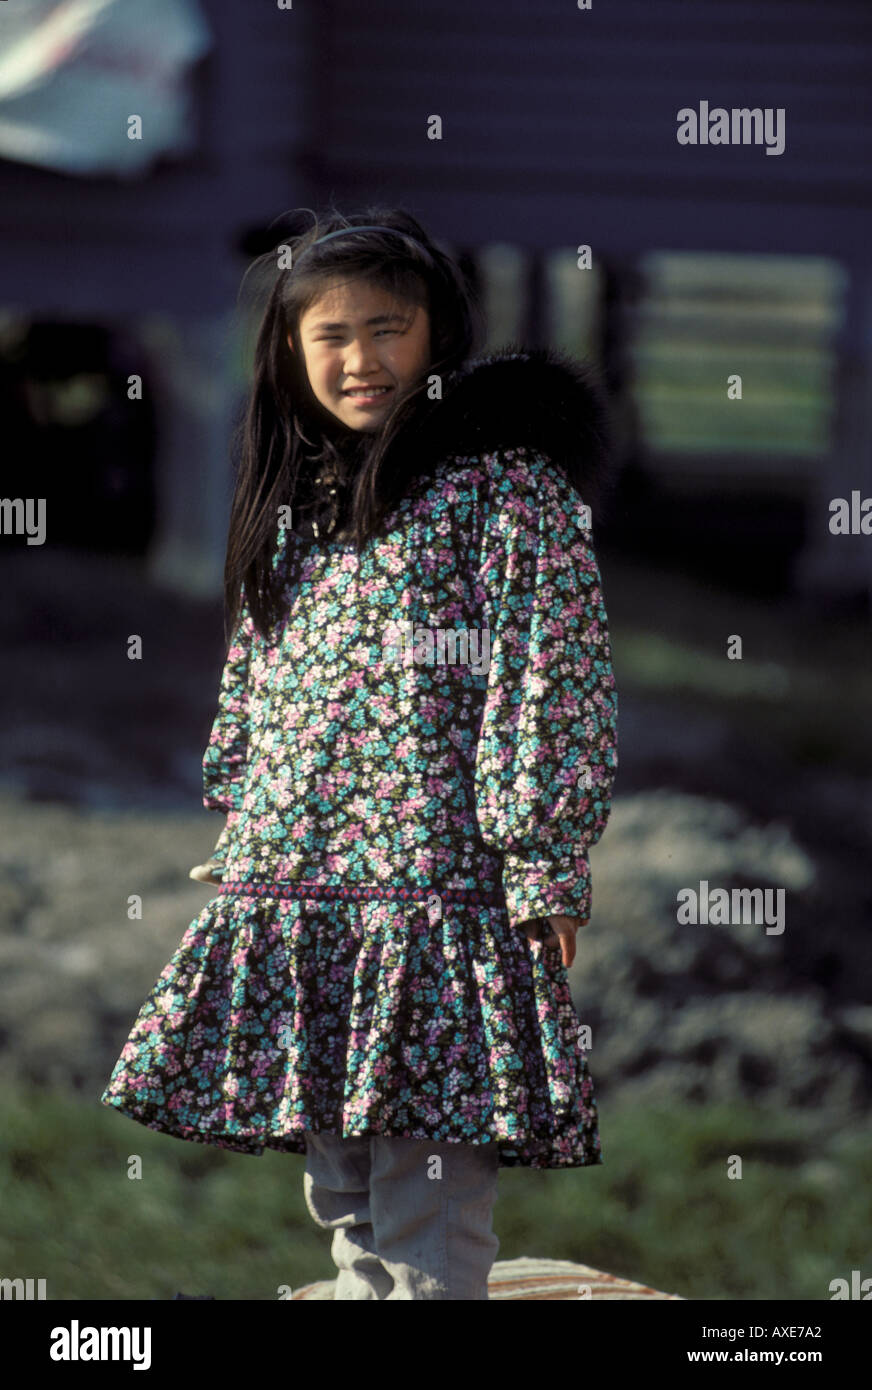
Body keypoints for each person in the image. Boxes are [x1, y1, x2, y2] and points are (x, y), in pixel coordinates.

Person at [100, 205, 619, 1300]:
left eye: (387, 328)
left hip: (436, 890)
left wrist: (541, 857)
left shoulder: (503, 488)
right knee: (341, 1191)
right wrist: (244, 805)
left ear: (438, 336)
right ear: (290, 352)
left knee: (426, 1187)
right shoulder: (298, 497)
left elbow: (547, 672)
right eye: (329, 335)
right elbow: (260, 667)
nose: (359, 359)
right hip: (303, 889)